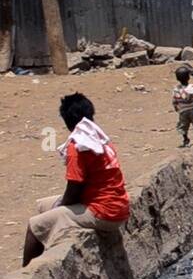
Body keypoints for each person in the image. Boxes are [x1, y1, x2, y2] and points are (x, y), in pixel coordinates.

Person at [22, 93, 130, 266]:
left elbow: (74, 188)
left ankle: (27, 274)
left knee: (35, 226)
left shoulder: (77, 147)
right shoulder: (100, 139)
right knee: (43, 205)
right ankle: (46, 256)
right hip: (117, 207)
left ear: (67, 121)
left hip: (103, 212)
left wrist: (62, 205)